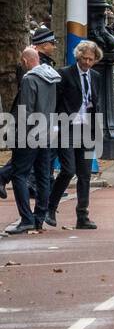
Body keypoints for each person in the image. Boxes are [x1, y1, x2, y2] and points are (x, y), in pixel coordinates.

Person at [49, 39, 102, 230]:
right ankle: (51, 207)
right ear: (78, 56)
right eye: (84, 58)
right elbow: (55, 101)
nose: (87, 62)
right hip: (67, 128)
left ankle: (83, 215)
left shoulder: (95, 76)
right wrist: (55, 126)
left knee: (85, 174)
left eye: (91, 59)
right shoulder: (65, 74)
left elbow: (97, 103)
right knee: (68, 170)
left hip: (87, 130)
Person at [5, 46, 57, 235]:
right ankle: (39, 218)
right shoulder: (52, 77)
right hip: (46, 131)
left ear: (26, 61)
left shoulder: (29, 79)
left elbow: (25, 110)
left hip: (30, 133)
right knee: (44, 176)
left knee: (20, 174)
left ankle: (26, 218)